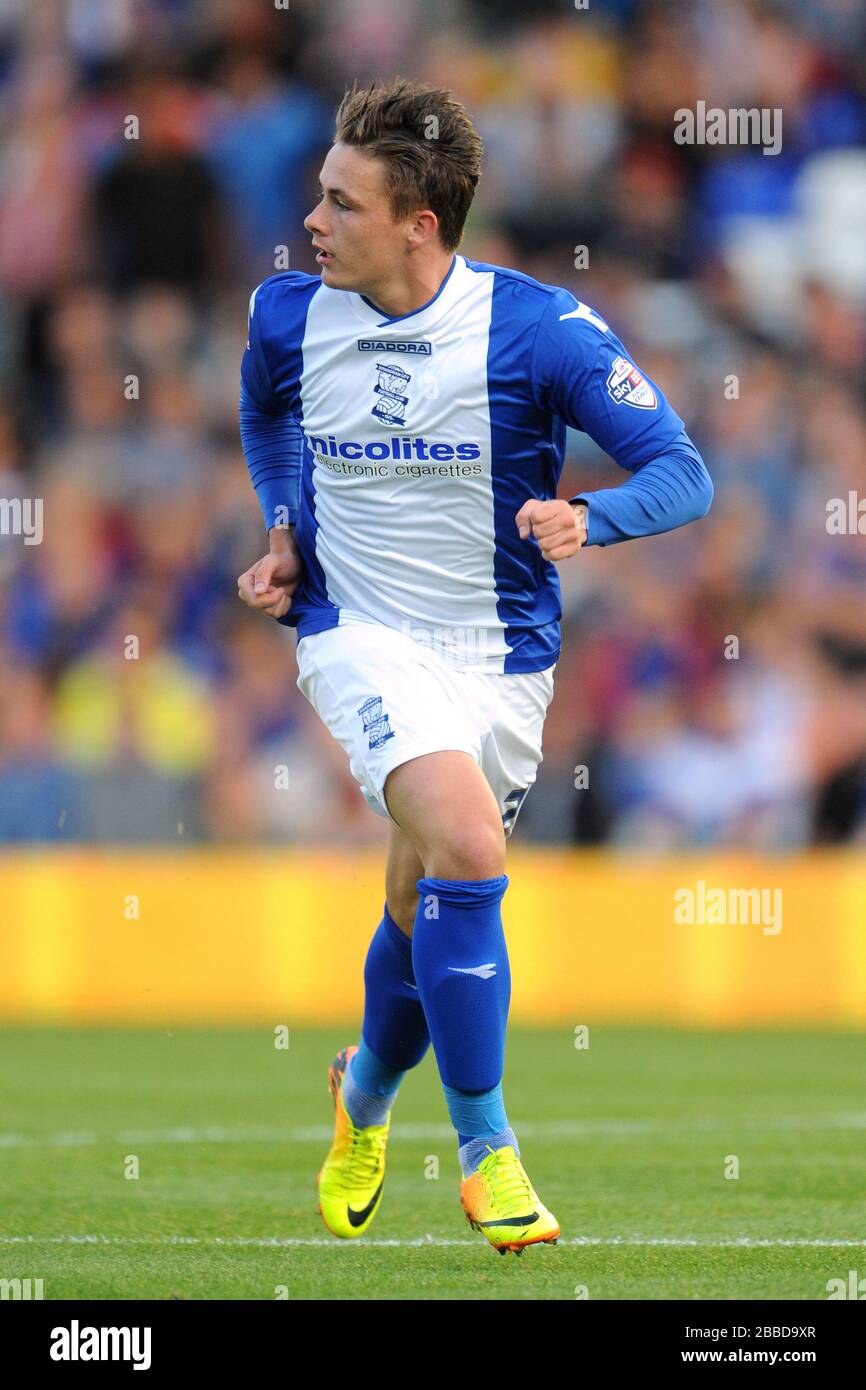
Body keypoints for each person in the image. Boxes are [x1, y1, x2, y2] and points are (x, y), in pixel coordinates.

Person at [237, 77, 713, 1254]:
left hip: (499, 660)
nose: (313, 221)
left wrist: (587, 521)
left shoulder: (534, 329)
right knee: (470, 844)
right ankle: (489, 1154)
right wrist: (286, 525)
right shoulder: (284, 315)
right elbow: (266, 421)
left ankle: (361, 1098)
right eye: (317, 196)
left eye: (341, 204)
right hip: (356, 636)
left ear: (418, 225)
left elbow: (680, 467)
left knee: (417, 903)